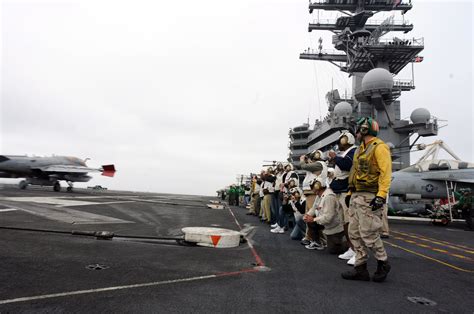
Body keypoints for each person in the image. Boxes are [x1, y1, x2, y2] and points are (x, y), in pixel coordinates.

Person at [342, 117, 392, 283]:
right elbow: (354, 173)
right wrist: (350, 192)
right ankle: (360, 268)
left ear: (364, 130)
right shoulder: (359, 150)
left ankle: (383, 262)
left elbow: (386, 173)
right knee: (354, 233)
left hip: (370, 197)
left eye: (358, 129)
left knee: (369, 233)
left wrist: (381, 195)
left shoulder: (379, 147)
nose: (355, 133)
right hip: (357, 195)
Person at [328, 131, 357, 264]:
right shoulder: (344, 153)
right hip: (340, 190)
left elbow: (347, 165)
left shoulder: (353, 151)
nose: (339, 143)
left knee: (350, 222)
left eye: (341, 140)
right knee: (345, 221)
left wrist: (335, 157)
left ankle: (356, 250)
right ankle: (351, 248)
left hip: (346, 191)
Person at [305, 176, 346, 254]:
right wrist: (307, 215)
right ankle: (317, 242)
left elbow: (328, 217)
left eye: (312, 186)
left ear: (317, 186)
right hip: (327, 224)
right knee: (310, 221)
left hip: (335, 226)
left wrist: (313, 219)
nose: (311, 188)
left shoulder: (329, 197)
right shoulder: (319, 195)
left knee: (333, 250)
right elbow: (314, 208)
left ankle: (347, 244)